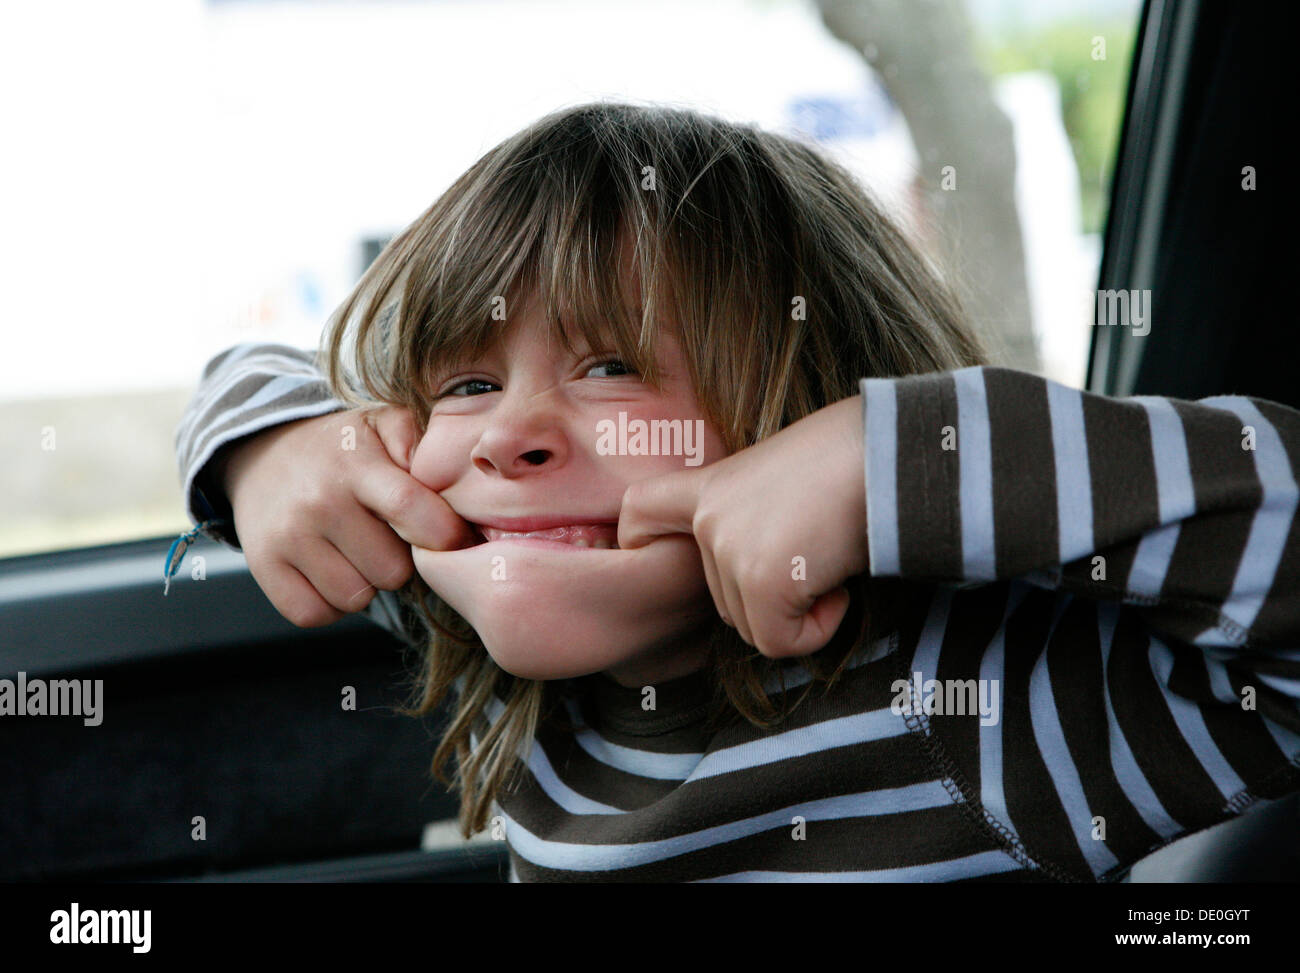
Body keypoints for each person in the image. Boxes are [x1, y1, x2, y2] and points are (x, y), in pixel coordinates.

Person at [173, 101, 1300, 882]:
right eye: (466, 381)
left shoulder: (983, 703)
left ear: (811, 408)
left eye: (611, 366)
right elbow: (245, 373)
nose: (510, 434)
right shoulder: (478, 591)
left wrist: (892, 459)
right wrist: (275, 451)